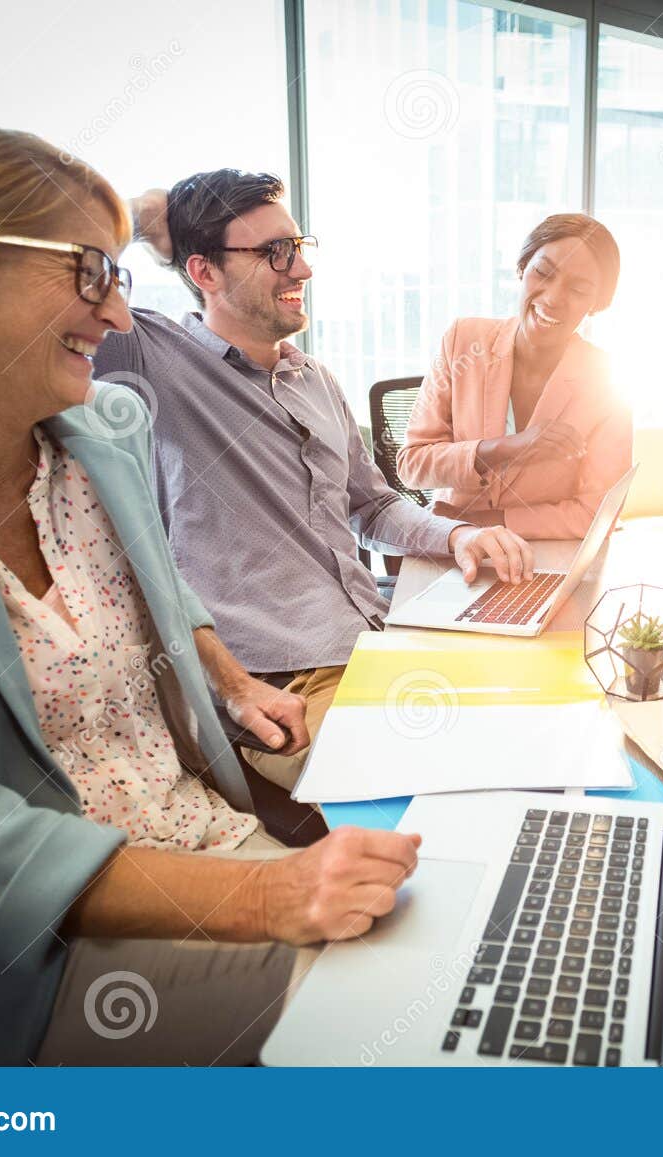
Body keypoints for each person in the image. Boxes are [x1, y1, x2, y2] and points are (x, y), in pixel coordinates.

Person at [0, 105, 420, 1065]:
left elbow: (162, 588)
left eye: (116, 274)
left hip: (205, 833)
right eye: (86, 270)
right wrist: (268, 895)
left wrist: (230, 679)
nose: (115, 312)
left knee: (437, 933)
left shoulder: (100, 432)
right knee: (396, 1020)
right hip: (24, 949)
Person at [98, 174, 535, 791]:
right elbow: (54, 286)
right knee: (447, 790)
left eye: (299, 246)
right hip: (279, 679)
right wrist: (139, 216)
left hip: (372, 638)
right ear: (204, 272)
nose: (301, 269)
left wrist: (456, 536)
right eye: (275, 252)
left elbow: (373, 506)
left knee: (528, 726)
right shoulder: (148, 356)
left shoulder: (316, 379)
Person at [396, 213, 632, 538]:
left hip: (537, 554)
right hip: (452, 550)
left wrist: (477, 523)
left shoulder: (607, 383)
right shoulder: (463, 341)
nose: (553, 298)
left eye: (578, 289)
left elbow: (597, 514)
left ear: (596, 303)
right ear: (522, 269)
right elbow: (412, 465)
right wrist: (505, 448)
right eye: (543, 273)